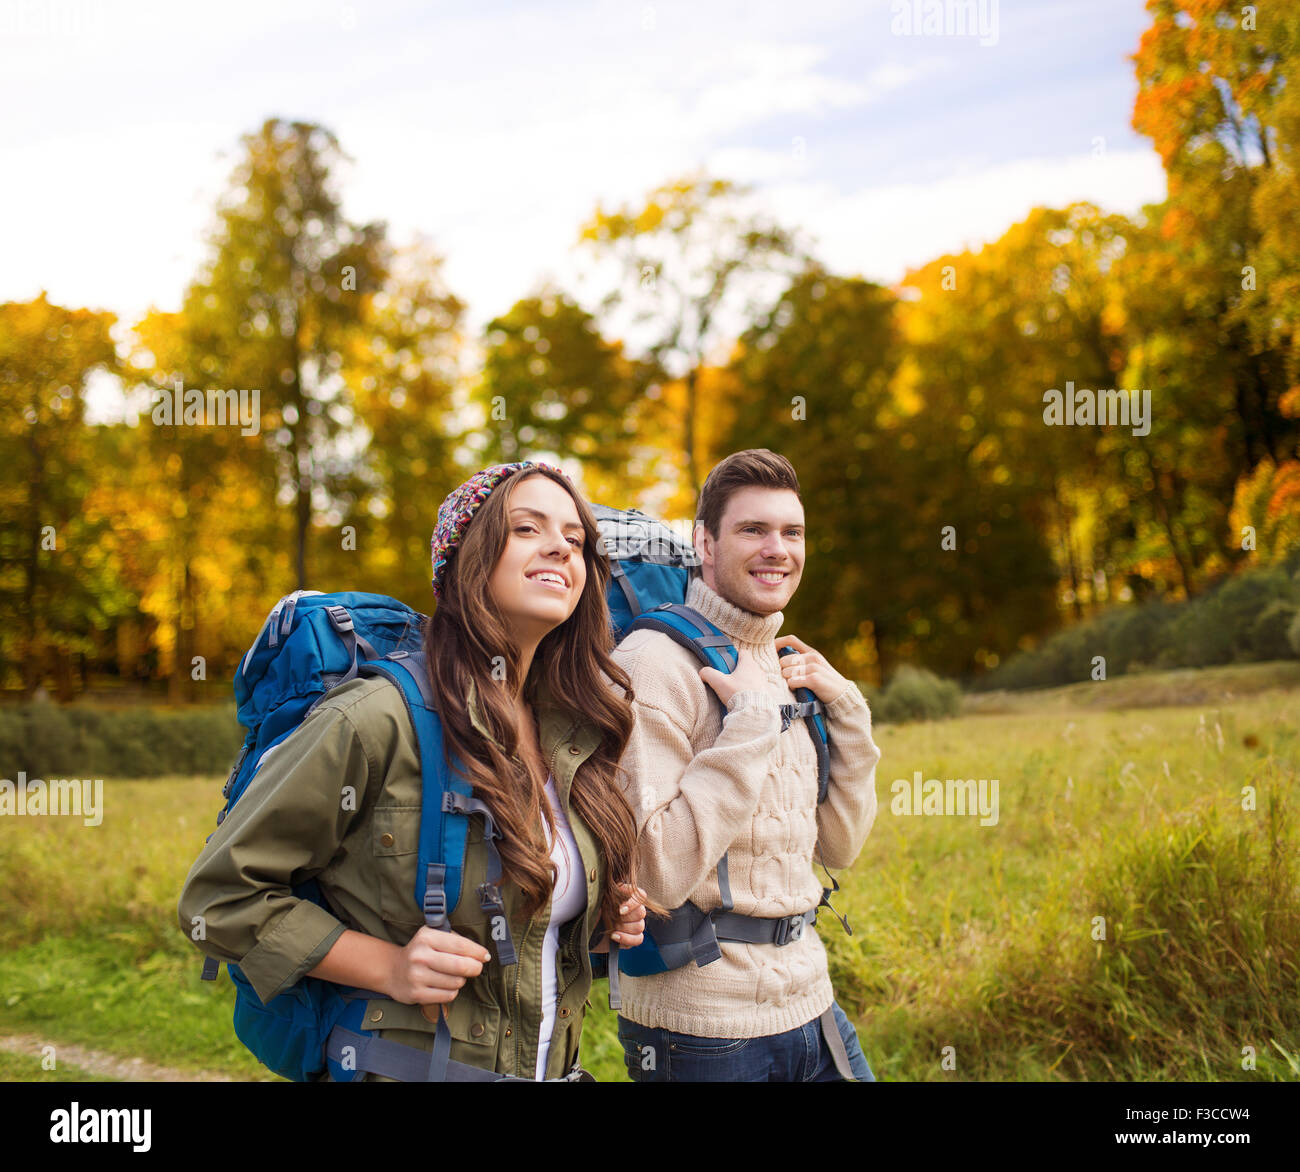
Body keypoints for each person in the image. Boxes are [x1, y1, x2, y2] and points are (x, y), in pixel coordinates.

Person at [178, 461, 647, 1081]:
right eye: (526, 528)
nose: (560, 546)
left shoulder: (573, 733)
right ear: (467, 559)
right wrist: (389, 967)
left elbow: (522, 934)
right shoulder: (377, 717)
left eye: (575, 538)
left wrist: (598, 922)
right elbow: (219, 897)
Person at [610, 449, 882, 1082]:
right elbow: (655, 874)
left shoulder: (786, 665)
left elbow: (839, 846)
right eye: (753, 530)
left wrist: (847, 708)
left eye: (792, 532)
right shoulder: (651, 664)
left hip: (812, 999)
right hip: (702, 1030)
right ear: (704, 542)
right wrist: (750, 729)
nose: (777, 550)